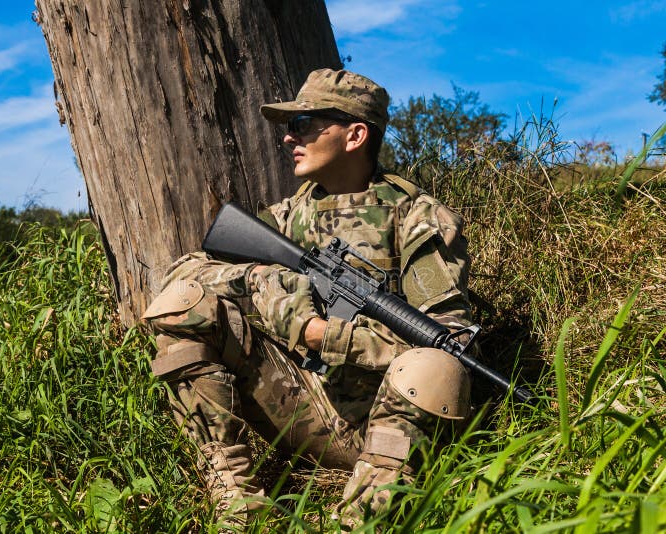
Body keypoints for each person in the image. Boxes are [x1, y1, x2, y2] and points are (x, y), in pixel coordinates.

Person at [143, 68, 474, 528]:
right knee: (183, 303)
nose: (288, 137)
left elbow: (453, 342)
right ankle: (239, 504)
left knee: (434, 367)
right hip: (300, 402)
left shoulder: (418, 218)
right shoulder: (286, 216)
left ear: (355, 135)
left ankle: (361, 519)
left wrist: (321, 333)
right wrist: (260, 281)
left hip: (388, 423)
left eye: (303, 124)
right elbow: (182, 271)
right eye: (289, 126)